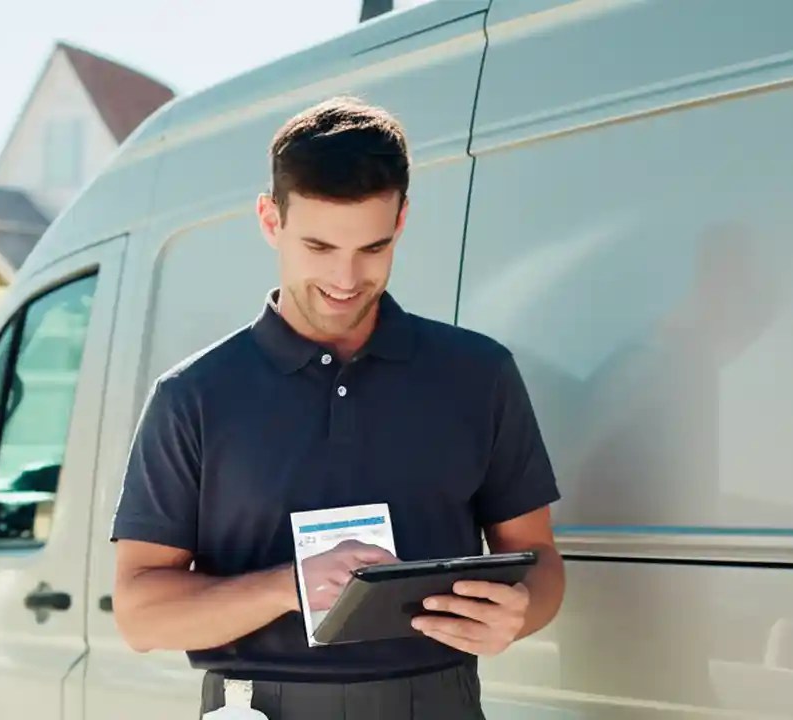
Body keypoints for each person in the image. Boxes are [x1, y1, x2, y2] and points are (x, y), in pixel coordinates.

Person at [109, 97, 565, 719]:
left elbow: (541, 562)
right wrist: (290, 586)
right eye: (319, 247)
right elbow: (140, 615)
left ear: (402, 221)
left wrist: (521, 612)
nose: (346, 279)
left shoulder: (479, 375)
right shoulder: (192, 396)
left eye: (372, 248)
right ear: (270, 220)